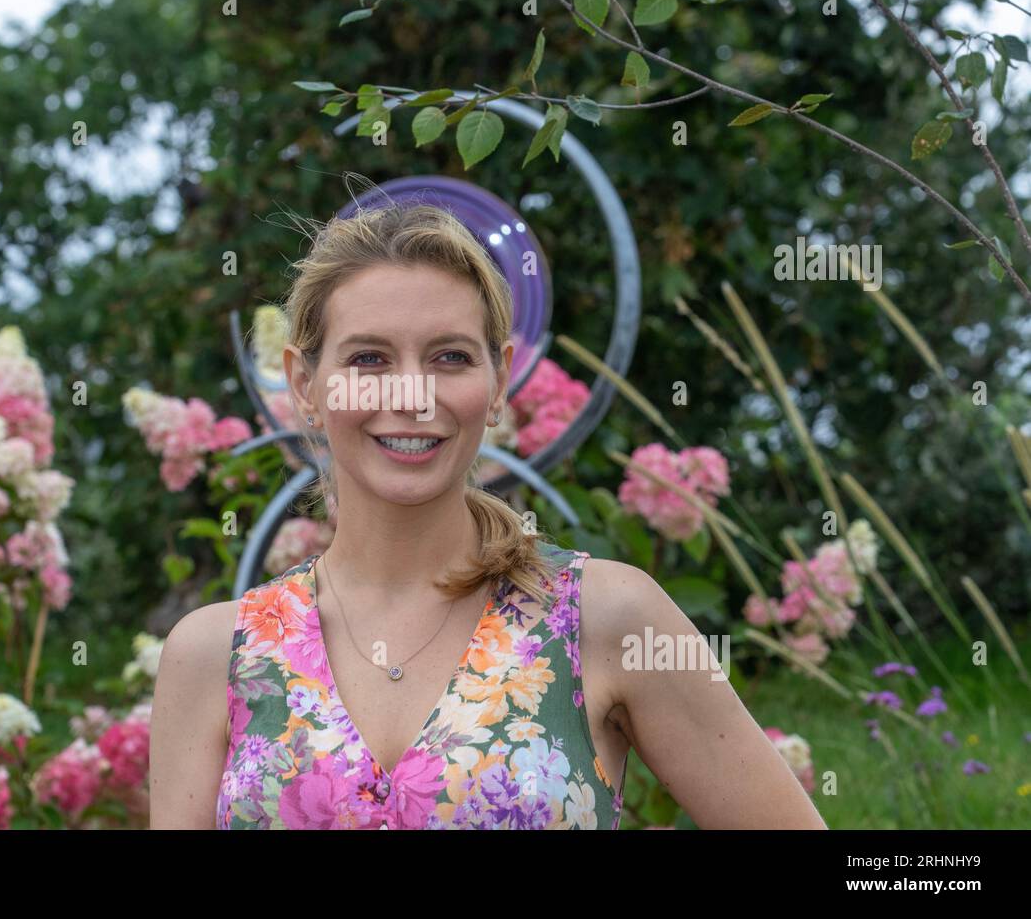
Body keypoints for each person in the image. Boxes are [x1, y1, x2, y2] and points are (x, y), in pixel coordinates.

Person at [149, 199, 827, 830]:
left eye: (450, 357)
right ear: (305, 384)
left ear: (500, 381)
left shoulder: (606, 619)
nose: (413, 395)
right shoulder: (214, 656)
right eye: (369, 358)